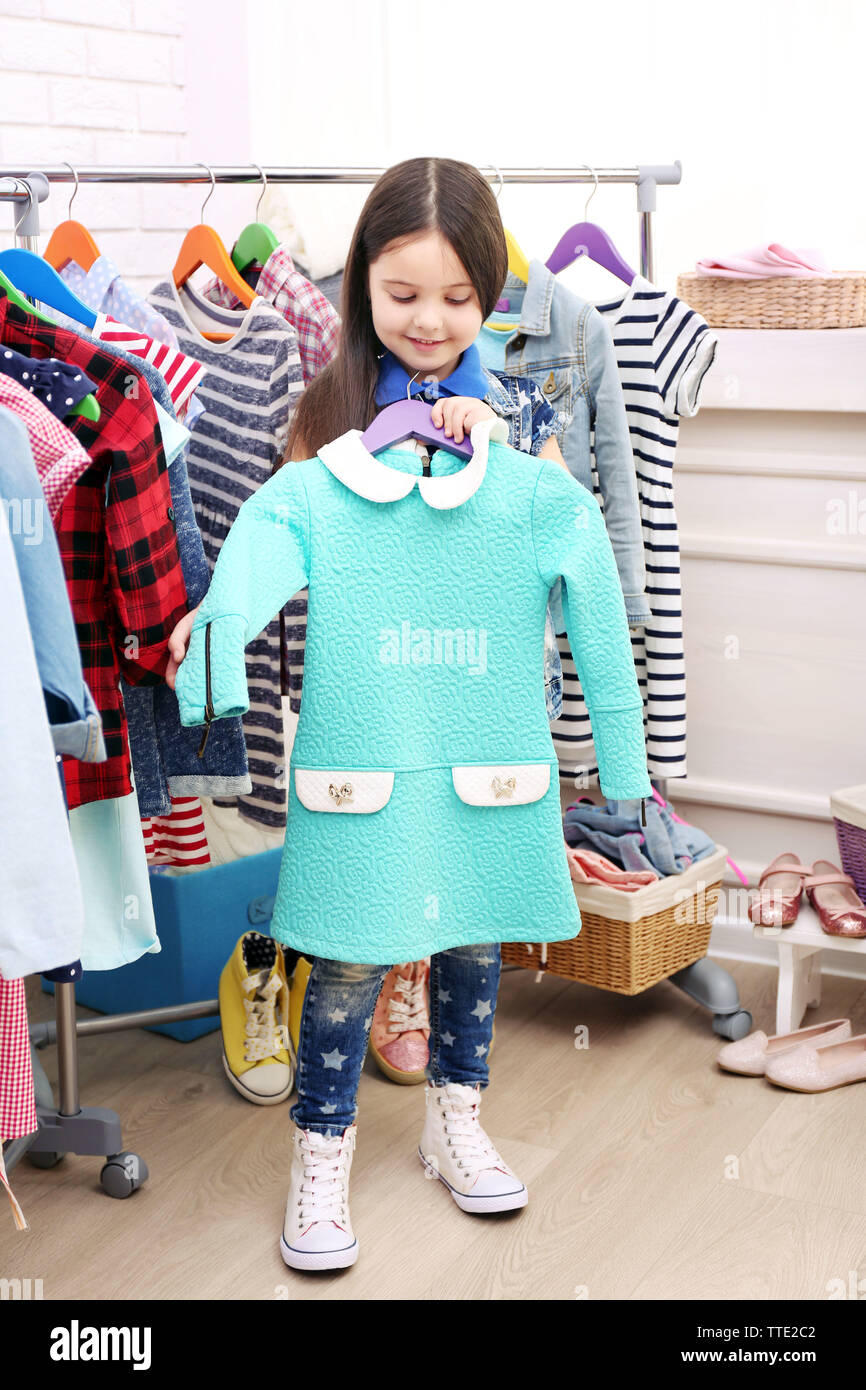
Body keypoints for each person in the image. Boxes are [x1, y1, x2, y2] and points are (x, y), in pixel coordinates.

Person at [166, 157, 648, 1273]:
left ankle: (453, 1119)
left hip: (485, 751)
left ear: (490, 297)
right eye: (402, 294)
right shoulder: (322, 438)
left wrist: (617, 760)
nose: (428, 320)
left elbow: (591, 587)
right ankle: (320, 1153)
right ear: (361, 294)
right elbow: (261, 550)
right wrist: (215, 647)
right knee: (343, 960)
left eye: (456, 296)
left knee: (473, 941)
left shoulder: (524, 443)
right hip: (362, 756)